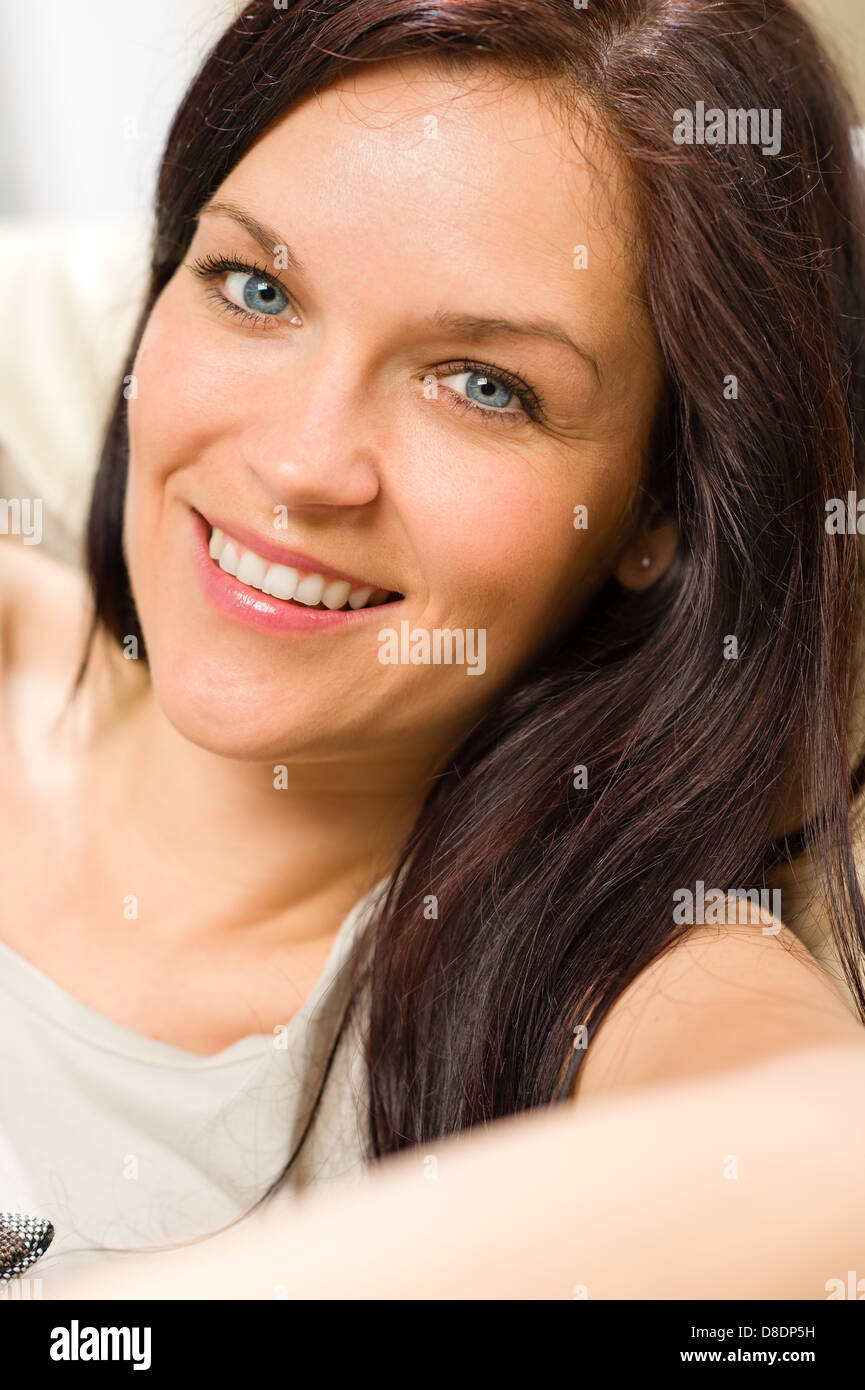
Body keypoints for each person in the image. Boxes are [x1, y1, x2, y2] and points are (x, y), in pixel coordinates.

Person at [3, 0, 865, 1295]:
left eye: (480, 384)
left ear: (653, 512)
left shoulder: (619, 979)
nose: (299, 464)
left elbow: (829, 1159)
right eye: (256, 288)